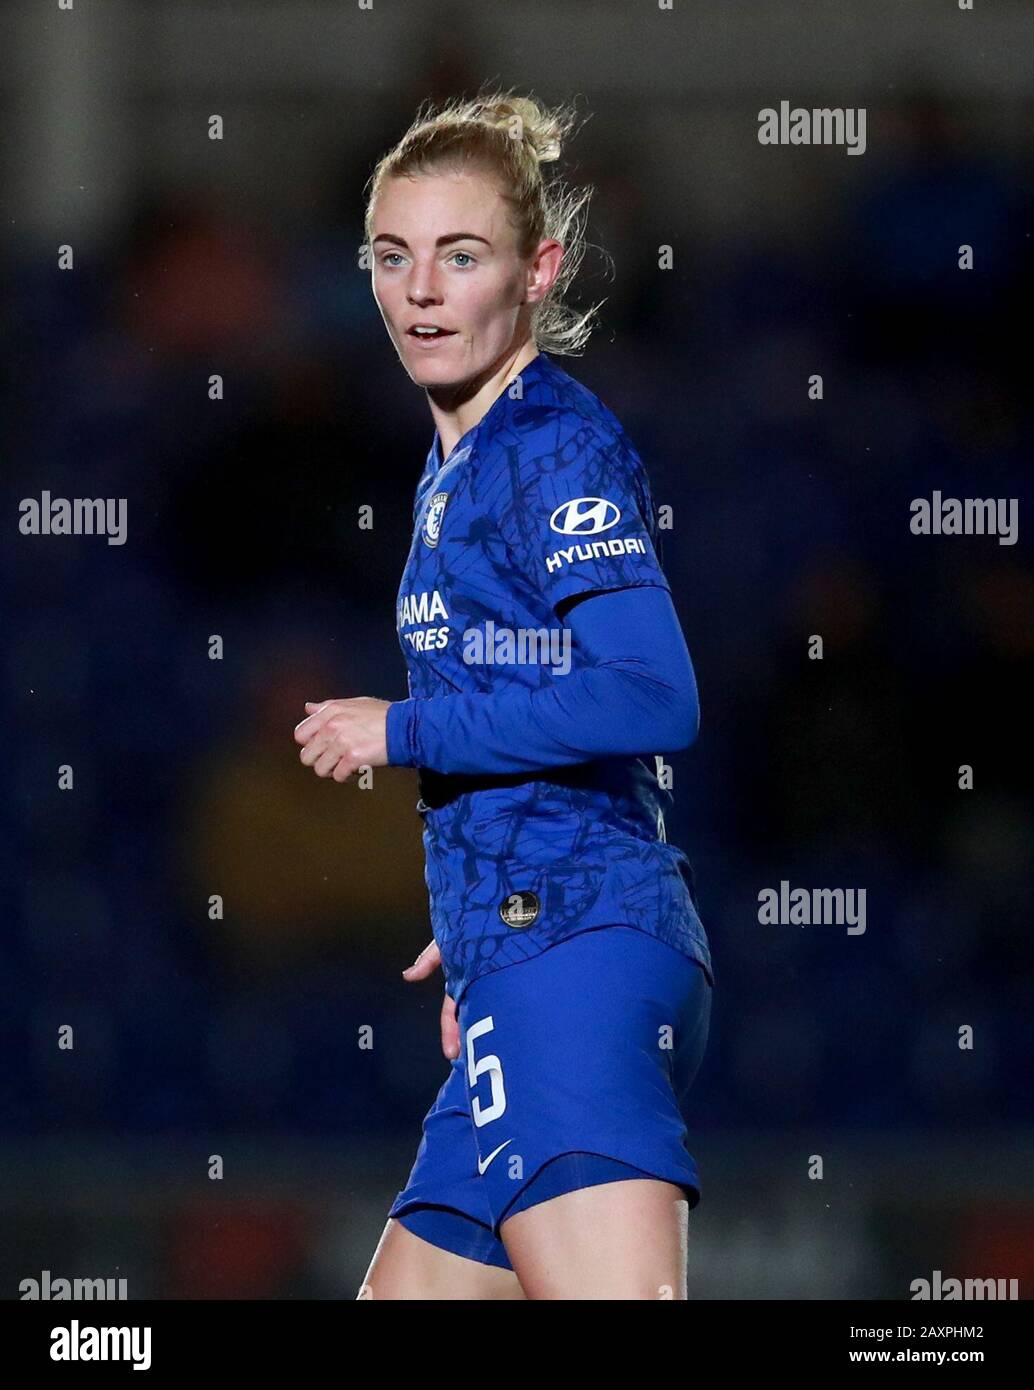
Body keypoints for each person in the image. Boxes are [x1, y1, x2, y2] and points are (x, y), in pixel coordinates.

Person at [293, 89, 714, 1300]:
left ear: (539, 271)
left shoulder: (548, 446)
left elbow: (648, 695)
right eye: (392, 256)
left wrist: (403, 728)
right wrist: (478, 898)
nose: (420, 289)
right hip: (520, 952)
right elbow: (541, 698)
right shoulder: (456, 461)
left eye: (460, 255)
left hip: (574, 958)